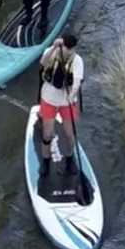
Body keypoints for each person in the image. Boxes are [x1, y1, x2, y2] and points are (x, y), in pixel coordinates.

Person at [38, 31, 83, 175]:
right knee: (47, 134)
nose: (68, 50)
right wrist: (53, 47)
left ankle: (70, 159)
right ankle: (46, 161)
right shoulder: (51, 52)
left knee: (70, 135)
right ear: (61, 44)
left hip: (67, 102)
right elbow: (42, 63)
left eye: (71, 48)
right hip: (49, 98)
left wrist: (73, 94)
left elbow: (76, 82)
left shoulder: (77, 61)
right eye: (66, 47)